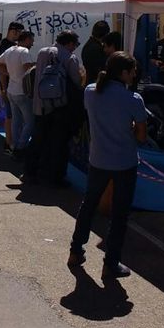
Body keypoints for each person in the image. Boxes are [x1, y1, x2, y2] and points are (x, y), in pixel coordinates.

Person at [68, 52, 148, 280]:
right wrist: (129, 128)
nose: (134, 75)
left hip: (98, 158)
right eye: (132, 71)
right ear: (124, 73)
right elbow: (142, 136)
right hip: (124, 161)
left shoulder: (91, 92)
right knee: (119, 213)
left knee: (89, 204)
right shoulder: (133, 99)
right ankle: (110, 262)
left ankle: (76, 250)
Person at [23, 30, 84, 186]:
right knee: (59, 143)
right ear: (69, 43)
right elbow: (77, 82)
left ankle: (30, 172)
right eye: (75, 44)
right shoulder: (70, 58)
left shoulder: (43, 53)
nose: (75, 47)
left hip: (40, 104)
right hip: (60, 107)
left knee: (37, 140)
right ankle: (55, 177)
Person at [0, 31, 36, 157]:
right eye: (32, 40)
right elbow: (27, 68)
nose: (33, 43)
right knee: (30, 122)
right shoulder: (24, 52)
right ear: (27, 39)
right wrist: (38, 65)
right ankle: (21, 147)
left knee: (16, 121)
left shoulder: (11, 50)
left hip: (11, 90)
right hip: (22, 91)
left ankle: (15, 145)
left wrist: (9, 73)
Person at [81, 21, 110, 86]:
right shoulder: (97, 48)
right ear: (105, 34)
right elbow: (101, 67)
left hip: (90, 81)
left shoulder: (88, 45)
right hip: (96, 83)